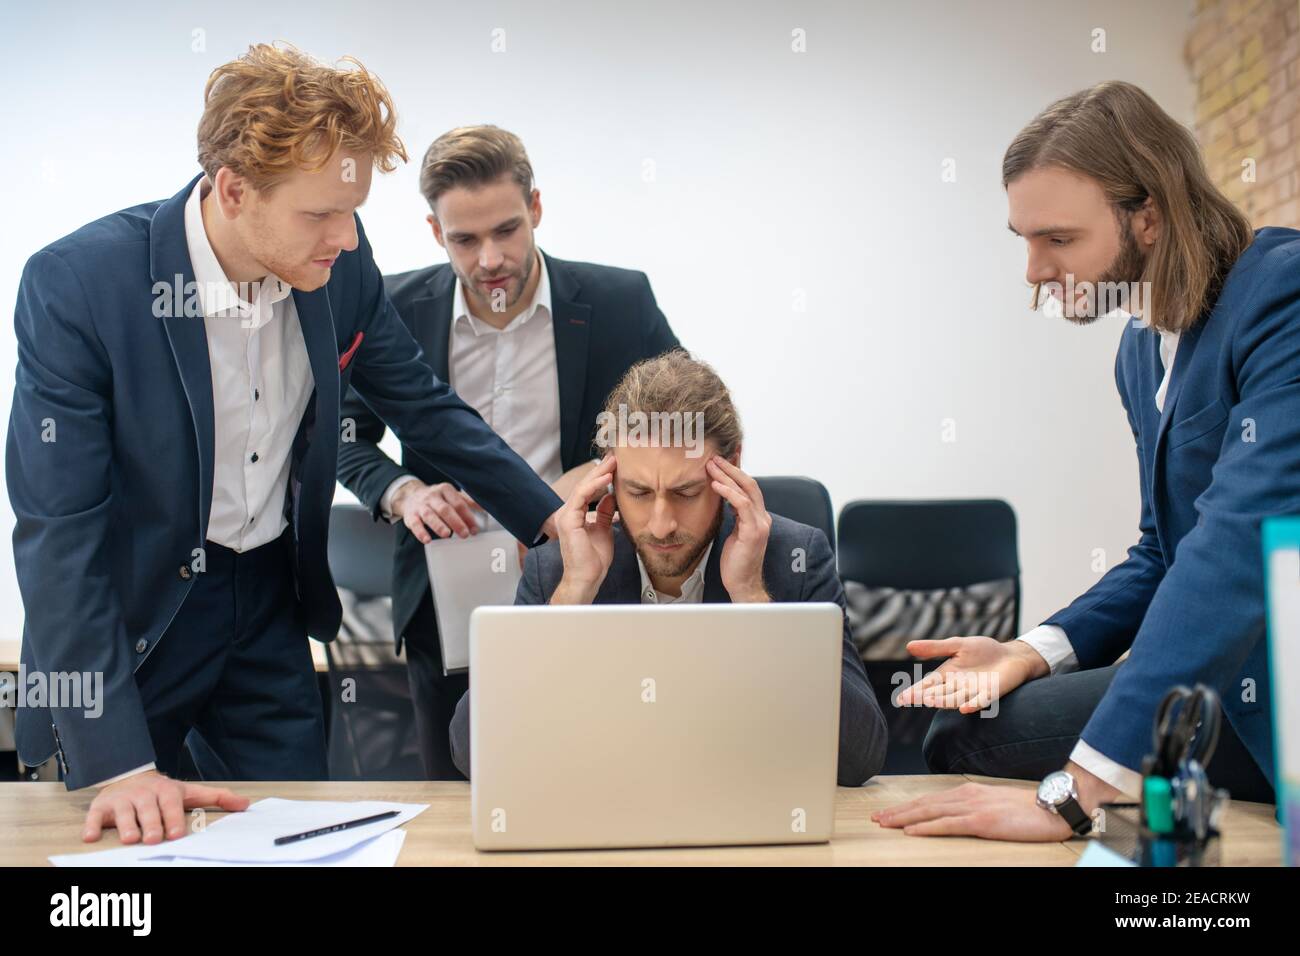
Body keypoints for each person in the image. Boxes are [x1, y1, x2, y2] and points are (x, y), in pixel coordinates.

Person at [6, 45, 562, 845]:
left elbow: (424, 409)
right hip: (136, 622)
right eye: (319, 215)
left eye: (354, 208)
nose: (346, 235)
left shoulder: (340, 258)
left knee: (302, 841)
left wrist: (552, 522)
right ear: (233, 189)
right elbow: (61, 534)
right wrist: (116, 758)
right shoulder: (81, 287)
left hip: (267, 602)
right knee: (118, 843)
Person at [877, 81, 1291, 842]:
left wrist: (1079, 793)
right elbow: (1163, 550)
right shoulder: (1140, 351)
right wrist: (1031, 652)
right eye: (1024, 240)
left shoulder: (1279, 295)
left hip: (1280, 678)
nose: (1034, 271)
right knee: (964, 729)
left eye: (1058, 241)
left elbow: (1237, 546)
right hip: (1228, 682)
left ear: (1151, 217)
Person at [336, 126, 680, 779]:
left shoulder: (616, 300)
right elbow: (341, 435)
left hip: (591, 579)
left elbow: (681, 421)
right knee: (456, 787)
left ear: (537, 210)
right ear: (436, 232)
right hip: (445, 594)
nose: (490, 258)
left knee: (597, 774)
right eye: (464, 239)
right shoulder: (394, 309)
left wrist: (589, 479)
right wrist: (402, 491)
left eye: (507, 230)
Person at [448, 350, 889, 786]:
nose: (661, 525)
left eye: (687, 492)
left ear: (732, 466)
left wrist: (755, 601)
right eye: (638, 492)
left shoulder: (796, 558)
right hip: (605, 813)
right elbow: (471, 753)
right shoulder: (559, 568)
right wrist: (572, 597)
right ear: (608, 477)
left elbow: (859, 758)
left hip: (742, 810)